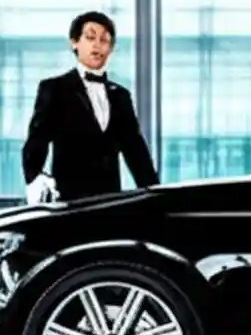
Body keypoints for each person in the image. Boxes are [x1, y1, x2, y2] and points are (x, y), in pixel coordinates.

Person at [22, 11, 159, 203]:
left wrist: (155, 195)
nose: (97, 44)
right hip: (68, 204)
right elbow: (37, 139)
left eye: (104, 40)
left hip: (109, 205)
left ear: (110, 48)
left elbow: (136, 151)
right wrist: (35, 178)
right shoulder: (55, 89)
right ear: (74, 42)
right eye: (90, 37)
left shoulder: (121, 96)